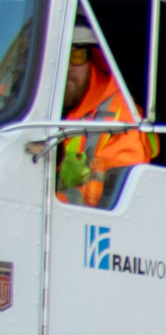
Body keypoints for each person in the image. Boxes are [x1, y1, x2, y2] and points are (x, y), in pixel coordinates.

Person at [56, 25, 148, 207]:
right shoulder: (14, 98)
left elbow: (112, 195)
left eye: (76, 56)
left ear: (92, 58)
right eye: (58, 55)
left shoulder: (122, 116)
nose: (67, 67)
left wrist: (54, 199)